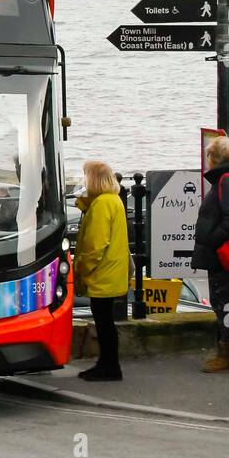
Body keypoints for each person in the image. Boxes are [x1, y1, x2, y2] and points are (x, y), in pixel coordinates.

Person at [194, 136, 229, 373]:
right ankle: (228, 349)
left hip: (223, 254)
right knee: (222, 299)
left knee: (223, 300)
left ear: (214, 158)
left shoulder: (227, 181)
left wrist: (214, 239)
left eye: (209, 155)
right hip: (222, 253)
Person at [73, 160, 131, 381]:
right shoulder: (113, 200)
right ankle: (107, 363)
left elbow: (95, 245)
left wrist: (82, 270)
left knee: (103, 322)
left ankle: (109, 365)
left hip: (101, 273)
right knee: (106, 321)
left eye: (86, 176)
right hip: (112, 271)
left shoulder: (101, 205)